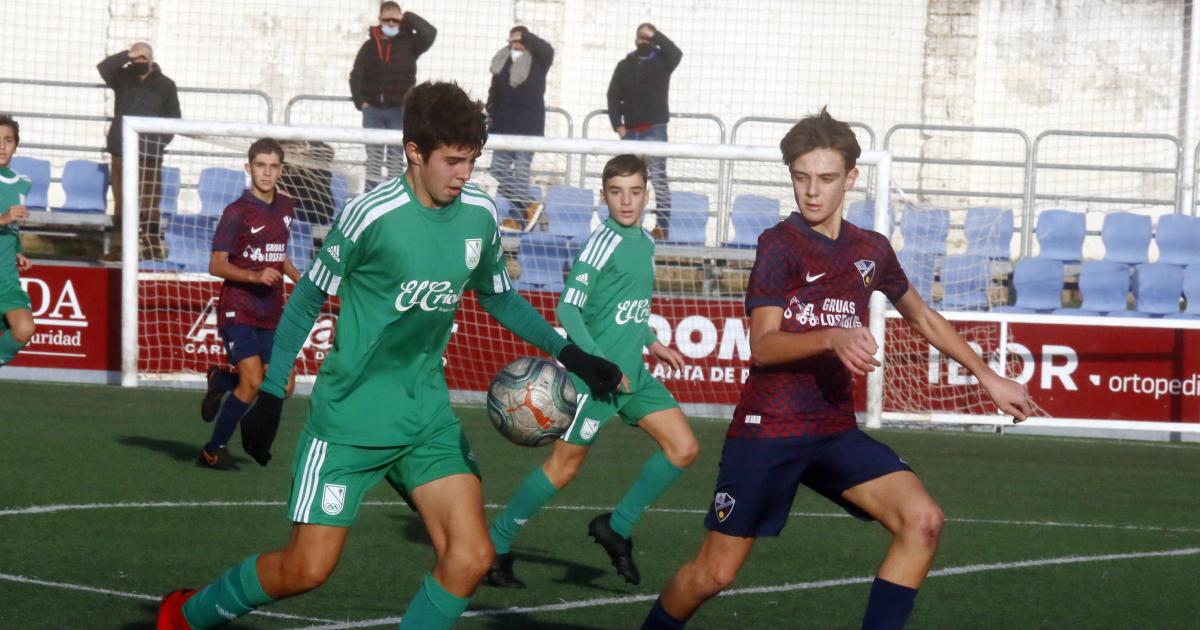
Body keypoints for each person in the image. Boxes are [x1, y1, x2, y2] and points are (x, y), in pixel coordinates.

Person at [156, 81, 623, 630]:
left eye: (471, 160)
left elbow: (498, 295)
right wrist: (274, 394)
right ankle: (187, 616)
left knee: (470, 558)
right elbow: (307, 300)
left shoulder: (478, 214)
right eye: (452, 161)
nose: (464, 174)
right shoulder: (369, 215)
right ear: (414, 152)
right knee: (307, 569)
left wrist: (573, 354)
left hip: (424, 416)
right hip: (349, 420)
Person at [640, 109, 1034, 630]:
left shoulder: (871, 249)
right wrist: (833, 336)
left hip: (831, 431)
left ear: (850, 178)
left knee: (923, 521)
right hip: (769, 430)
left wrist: (987, 376)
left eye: (826, 178)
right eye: (801, 177)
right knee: (714, 574)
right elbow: (763, 346)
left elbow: (921, 315)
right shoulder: (779, 244)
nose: (811, 191)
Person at [485, 154, 698, 589]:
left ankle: (616, 527)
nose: (627, 201)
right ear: (604, 196)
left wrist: (652, 342)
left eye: (635, 192)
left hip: (633, 376)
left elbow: (627, 309)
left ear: (646, 194)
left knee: (683, 447)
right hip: (595, 383)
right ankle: (496, 546)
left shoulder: (646, 242)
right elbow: (569, 307)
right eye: (617, 192)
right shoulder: (603, 242)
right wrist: (600, 361)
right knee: (561, 471)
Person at [197, 138, 302, 470]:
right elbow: (216, 264)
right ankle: (213, 449)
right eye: (260, 165)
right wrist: (254, 278)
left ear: (281, 171)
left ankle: (221, 381)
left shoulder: (286, 206)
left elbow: (276, 252)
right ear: (249, 168)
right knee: (254, 381)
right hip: (238, 308)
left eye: (273, 167)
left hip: (271, 311)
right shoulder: (236, 212)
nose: (267, 173)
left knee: (283, 386)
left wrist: (299, 279)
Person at [97, 42, 181, 261]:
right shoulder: (121, 78)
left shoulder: (166, 85)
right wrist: (128, 54)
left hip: (150, 154)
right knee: (122, 202)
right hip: (121, 150)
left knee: (150, 203)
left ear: (152, 59)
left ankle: (151, 248)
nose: (139, 62)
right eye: (136, 58)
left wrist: (158, 143)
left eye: (144, 58)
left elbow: (174, 119)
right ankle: (118, 249)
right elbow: (103, 68)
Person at [606, 23, 682, 241]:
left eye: (647, 37)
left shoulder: (663, 61)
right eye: (640, 36)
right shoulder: (624, 65)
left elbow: (676, 52)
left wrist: (655, 34)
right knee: (627, 180)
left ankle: (662, 226)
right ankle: (628, 226)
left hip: (655, 131)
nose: (643, 40)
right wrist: (617, 125)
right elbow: (613, 95)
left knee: (657, 179)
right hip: (630, 133)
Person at [350, 1, 436, 190]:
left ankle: (394, 196)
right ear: (380, 20)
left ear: (400, 20)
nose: (390, 23)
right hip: (372, 110)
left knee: (396, 158)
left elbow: (430, 33)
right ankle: (371, 198)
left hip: (399, 110)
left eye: (394, 20)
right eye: (386, 19)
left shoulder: (410, 43)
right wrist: (361, 102)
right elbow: (356, 75)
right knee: (373, 157)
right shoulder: (369, 45)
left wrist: (408, 17)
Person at [487, 25, 553, 232]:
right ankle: (531, 205)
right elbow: (493, 94)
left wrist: (525, 36)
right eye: (513, 41)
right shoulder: (501, 62)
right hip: (503, 128)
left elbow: (548, 50)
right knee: (497, 170)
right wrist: (490, 115)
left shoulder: (539, 61)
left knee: (521, 174)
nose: (516, 45)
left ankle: (517, 219)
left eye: (520, 41)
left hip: (527, 129)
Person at [0, 114, 35, 368]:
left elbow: (13, 227)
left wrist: (18, 251)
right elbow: (6, 219)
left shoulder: (23, 184)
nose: (2, 146)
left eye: (8, 140)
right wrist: (3, 218)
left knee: (24, 328)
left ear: (16, 145)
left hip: (7, 281)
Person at [278, 140, 338, 226]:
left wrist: (292, 196)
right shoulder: (282, 168)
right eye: (292, 150)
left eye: (300, 151)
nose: (297, 153)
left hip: (317, 210)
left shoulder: (317, 169)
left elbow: (316, 191)